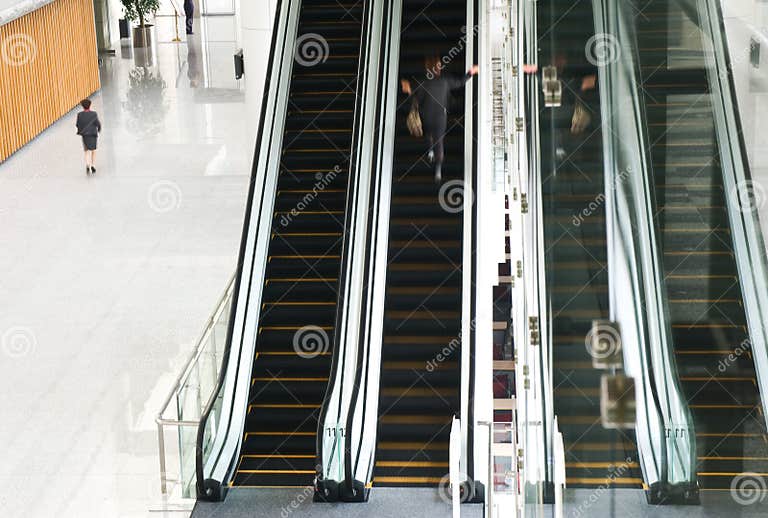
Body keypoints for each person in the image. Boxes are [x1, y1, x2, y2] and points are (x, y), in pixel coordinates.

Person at [402, 57, 479, 183]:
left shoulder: (422, 81)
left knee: (428, 133)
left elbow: (411, 91)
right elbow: (460, 82)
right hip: (439, 118)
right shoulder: (445, 80)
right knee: (439, 141)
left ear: (427, 68)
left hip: (425, 115)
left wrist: (406, 86)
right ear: (438, 68)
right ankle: (438, 168)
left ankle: (430, 151)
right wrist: (472, 71)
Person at [76, 99, 101, 175]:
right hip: (93, 134)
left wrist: (81, 131)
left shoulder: (79, 114)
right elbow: (98, 124)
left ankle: (87, 165)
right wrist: (98, 130)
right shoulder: (94, 114)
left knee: (86, 151)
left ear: (83, 106)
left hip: (85, 135)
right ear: (89, 105)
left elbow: (77, 124)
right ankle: (93, 165)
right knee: (93, 150)